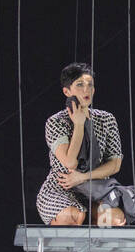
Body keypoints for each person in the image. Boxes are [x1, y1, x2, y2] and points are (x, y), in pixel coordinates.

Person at [37, 62, 127, 227]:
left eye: (90, 85)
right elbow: (70, 163)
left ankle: (93, 214)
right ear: (67, 91)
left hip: (94, 187)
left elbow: (115, 164)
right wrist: (79, 125)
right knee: (75, 216)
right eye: (80, 85)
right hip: (62, 187)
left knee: (115, 220)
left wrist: (84, 177)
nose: (86, 90)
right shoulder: (56, 122)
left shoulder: (106, 119)